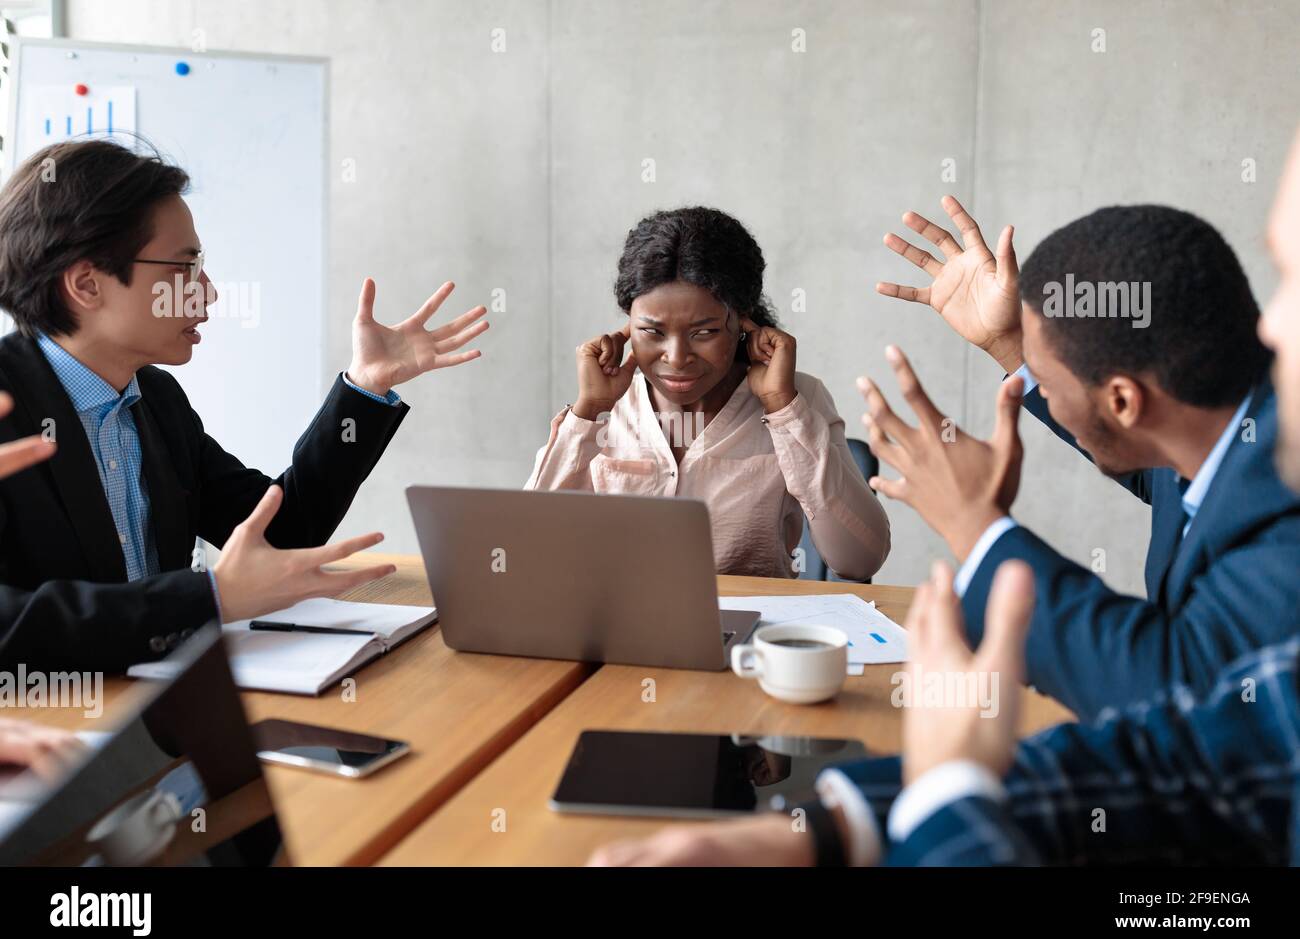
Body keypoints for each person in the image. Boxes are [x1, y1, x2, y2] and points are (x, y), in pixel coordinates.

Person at [588, 127, 1300, 867]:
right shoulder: (1226, 449)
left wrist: (979, 528)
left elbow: (1176, 699)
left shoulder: (1284, 505)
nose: (1271, 328)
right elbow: (1193, 755)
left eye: (1291, 278)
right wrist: (824, 829)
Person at [0, 139, 488, 671]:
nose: (207, 294)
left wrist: (365, 387)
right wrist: (209, 598)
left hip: (164, 710)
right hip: (48, 731)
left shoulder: (155, 400)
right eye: (183, 269)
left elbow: (280, 532)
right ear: (87, 285)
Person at [855, 197, 1300, 720]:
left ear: (1122, 401)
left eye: (1043, 380)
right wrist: (1010, 344)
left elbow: (1183, 689)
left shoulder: (1286, 502)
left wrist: (976, 524)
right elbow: (1148, 455)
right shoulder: (1218, 423)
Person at [526, 206, 890, 580]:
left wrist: (784, 409)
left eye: (704, 333)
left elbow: (859, 560)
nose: (677, 358)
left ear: (742, 320)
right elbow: (528, 550)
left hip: (746, 630)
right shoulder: (605, 405)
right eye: (652, 332)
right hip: (620, 633)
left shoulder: (797, 397)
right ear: (628, 326)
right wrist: (589, 412)